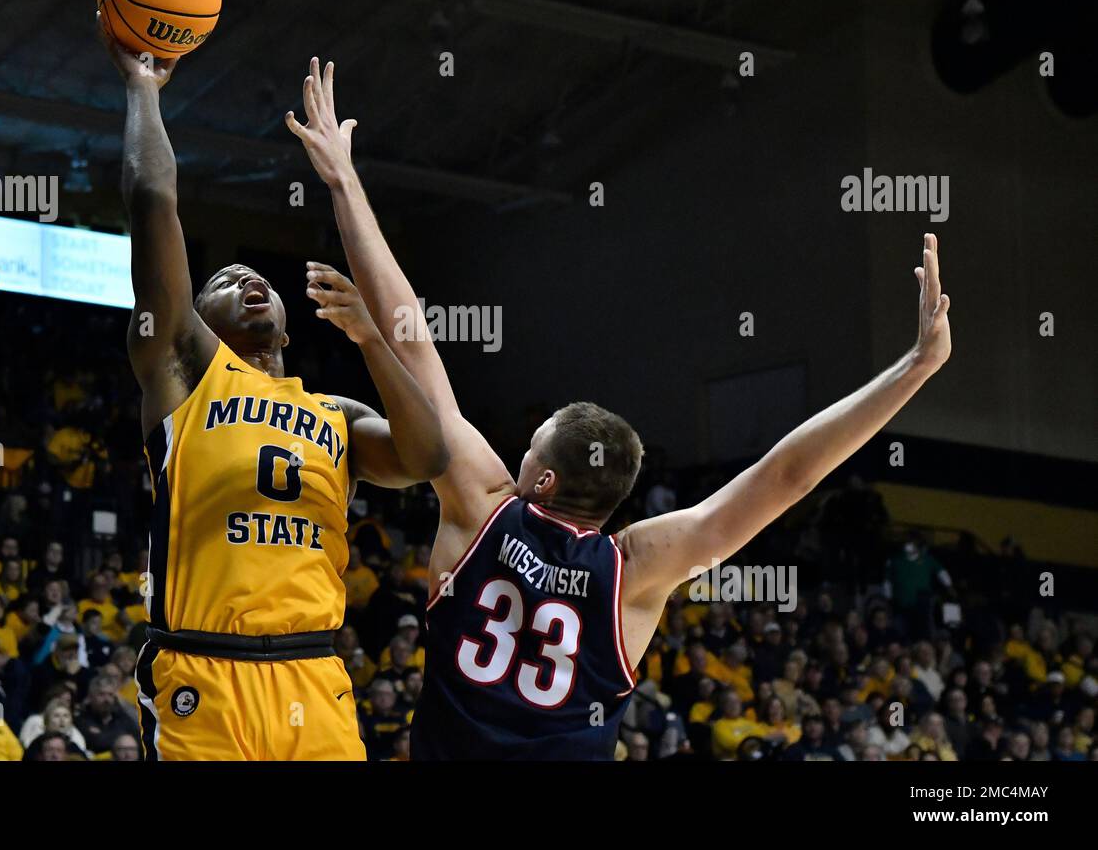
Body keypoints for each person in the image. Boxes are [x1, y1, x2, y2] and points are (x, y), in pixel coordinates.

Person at [287, 56, 955, 759]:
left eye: (532, 444)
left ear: (540, 479)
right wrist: (914, 369)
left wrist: (343, 181)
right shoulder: (635, 570)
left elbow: (412, 342)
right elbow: (786, 476)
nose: (518, 450)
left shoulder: (482, 505)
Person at [98, 17, 448, 761]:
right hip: (203, 673)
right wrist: (142, 91)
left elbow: (427, 455)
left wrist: (371, 338)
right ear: (201, 319)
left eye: (255, 276)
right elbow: (153, 202)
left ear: (290, 325)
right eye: (224, 281)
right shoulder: (184, 373)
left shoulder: (336, 414)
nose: (247, 279)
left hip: (313, 677)